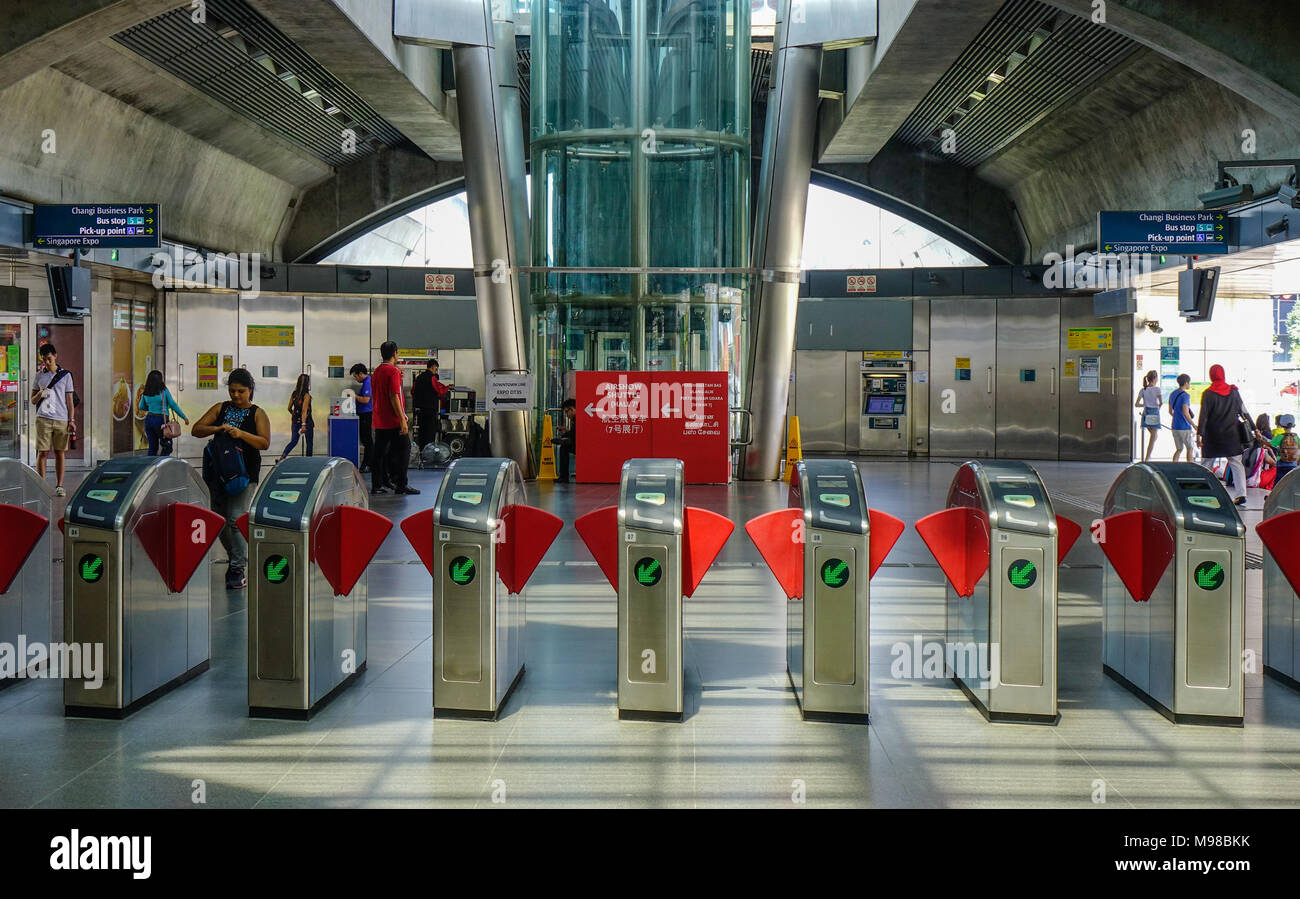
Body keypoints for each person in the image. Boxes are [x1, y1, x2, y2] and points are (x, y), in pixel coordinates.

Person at [192, 369, 270, 590]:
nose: (236, 395)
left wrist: (241, 434)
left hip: (245, 474)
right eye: (232, 390)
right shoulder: (221, 408)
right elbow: (197, 429)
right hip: (219, 473)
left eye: (241, 391)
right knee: (218, 519)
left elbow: (264, 442)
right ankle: (236, 556)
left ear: (250, 391)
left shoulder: (257, 413)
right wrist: (217, 428)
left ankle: (238, 567)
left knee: (235, 516)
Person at [1196, 364, 1258, 507]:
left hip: (1213, 435)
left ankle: (1203, 493)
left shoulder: (1208, 393)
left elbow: (1203, 416)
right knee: (1236, 464)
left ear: (1212, 375)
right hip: (1232, 435)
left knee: (1206, 465)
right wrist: (1254, 428)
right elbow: (1244, 411)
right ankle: (1241, 494)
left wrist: (1200, 435)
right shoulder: (1233, 392)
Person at [371, 341, 419, 496]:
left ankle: (378, 484)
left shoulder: (377, 371)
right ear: (395, 353)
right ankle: (401, 484)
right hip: (393, 420)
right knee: (404, 450)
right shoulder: (393, 372)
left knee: (380, 453)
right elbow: (394, 396)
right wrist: (402, 419)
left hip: (379, 419)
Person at [30, 343, 76, 496]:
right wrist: (39, 394)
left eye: (49, 359)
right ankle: (41, 485)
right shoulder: (39, 375)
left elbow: (69, 400)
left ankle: (59, 485)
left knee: (59, 452)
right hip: (43, 419)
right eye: (44, 360)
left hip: (61, 419)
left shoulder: (66, 375)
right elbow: (33, 400)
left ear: (55, 356)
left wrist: (72, 420)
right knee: (42, 452)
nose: (47, 363)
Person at [137, 369, 189, 457]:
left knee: (152, 448)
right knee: (167, 447)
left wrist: (151, 407)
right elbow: (173, 404)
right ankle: (161, 465)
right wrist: (184, 417)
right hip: (161, 421)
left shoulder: (146, 391)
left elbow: (141, 406)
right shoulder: (163, 390)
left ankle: (151, 468)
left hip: (149, 420)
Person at [412, 358, 452, 451]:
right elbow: (439, 392)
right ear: (433, 367)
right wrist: (448, 387)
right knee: (430, 432)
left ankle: (421, 452)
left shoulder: (419, 377)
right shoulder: (432, 377)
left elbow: (413, 391)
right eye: (436, 369)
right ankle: (429, 453)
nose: (436, 371)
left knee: (422, 431)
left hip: (421, 410)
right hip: (431, 409)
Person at [276, 373, 314, 461]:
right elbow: (304, 411)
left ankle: (282, 458)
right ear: (307, 384)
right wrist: (303, 424)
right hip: (307, 422)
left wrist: (294, 415)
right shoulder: (306, 396)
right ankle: (308, 462)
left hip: (295, 422)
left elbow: (289, 408)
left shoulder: (294, 394)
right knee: (309, 443)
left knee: (293, 441)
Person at [350, 363, 374, 473]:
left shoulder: (368, 382)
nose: (356, 379)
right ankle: (367, 463)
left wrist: (353, 396)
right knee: (365, 439)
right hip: (364, 414)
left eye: (355, 376)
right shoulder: (366, 382)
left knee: (367, 440)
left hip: (366, 414)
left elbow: (365, 400)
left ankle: (368, 464)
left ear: (360, 374)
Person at [1167, 373, 1195, 462]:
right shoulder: (1185, 396)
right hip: (1184, 427)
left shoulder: (1172, 394)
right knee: (1190, 448)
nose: (1189, 385)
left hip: (1175, 426)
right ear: (1186, 383)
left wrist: (1177, 417)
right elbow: (1185, 412)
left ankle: (1174, 468)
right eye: (1189, 383)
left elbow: (1170, 411)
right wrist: (1194, 425)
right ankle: (1190, 469)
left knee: (1179, 449)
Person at [1135, 369, 1162, 462]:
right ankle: (1147, 458)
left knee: (1154, 436)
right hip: (1154, 413)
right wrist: (1157, 406)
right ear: (1155, 378)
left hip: (1146, 413)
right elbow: (1161, 403)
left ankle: (1147, 457)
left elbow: (1136, 404)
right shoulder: (1157, 389)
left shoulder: (1143, 390)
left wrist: (1145, 404)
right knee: (1154, 436)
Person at [554, 399, 577, 483]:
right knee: (564, 447)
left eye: (567, 412)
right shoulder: (575, 419)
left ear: (572, 409)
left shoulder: (577, 419)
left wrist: (564, 437)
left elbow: (575, 436)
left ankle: (564, 476)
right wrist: (566, 431)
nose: (567, 415)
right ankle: (563, 476)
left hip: (583, 446)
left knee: (564, 448)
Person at [1272, 413, 1298, 482]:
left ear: (1282, 425)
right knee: (1290, 483)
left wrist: (1262, 440)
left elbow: (1270, 444)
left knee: (1279, 483)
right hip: (1293, 464)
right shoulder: (1296, 437)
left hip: (1281, 464)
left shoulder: (1280, 436)